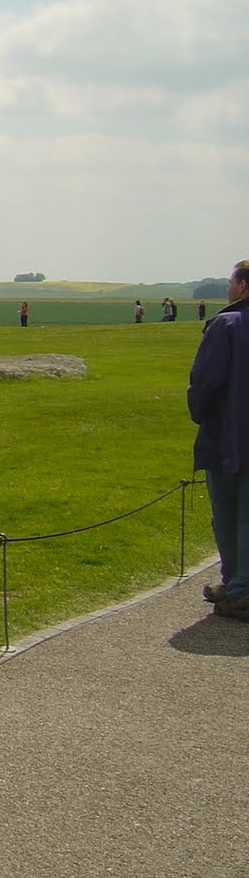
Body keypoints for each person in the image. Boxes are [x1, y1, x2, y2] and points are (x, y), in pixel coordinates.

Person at [189, 261, 249, 617]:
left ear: (242, 286)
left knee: (228, 514)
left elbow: (206, 382)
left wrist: (200, 413)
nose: (228, 288)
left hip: (229, 435)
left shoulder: (226, 324)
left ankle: (239, 585)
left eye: (230, 282)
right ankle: (238, 583)